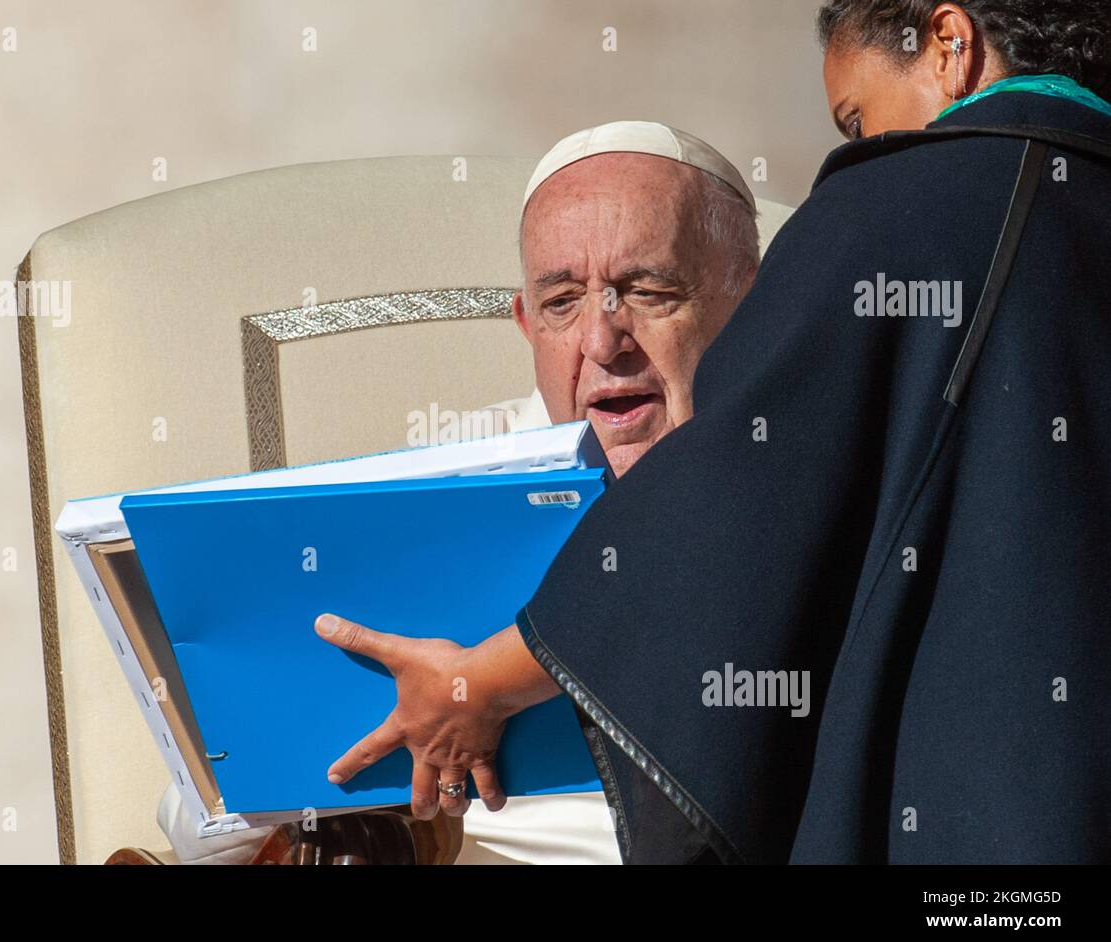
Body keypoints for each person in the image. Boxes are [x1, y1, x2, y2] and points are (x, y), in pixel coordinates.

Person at [319, 0, 1111, 863]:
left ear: (951, 46)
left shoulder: (895, 203)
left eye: (856, 117)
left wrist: (482, 682)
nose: (602, 340)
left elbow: (741, 502)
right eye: (560, 301)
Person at [157, 122, 777, 864]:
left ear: (752, 300)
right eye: (561, 303)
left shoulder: (825, 469)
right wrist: (326, 772)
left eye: (646, 291)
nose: (603, 341)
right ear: (525, 324)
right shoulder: (438, 491)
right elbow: (196, 818)